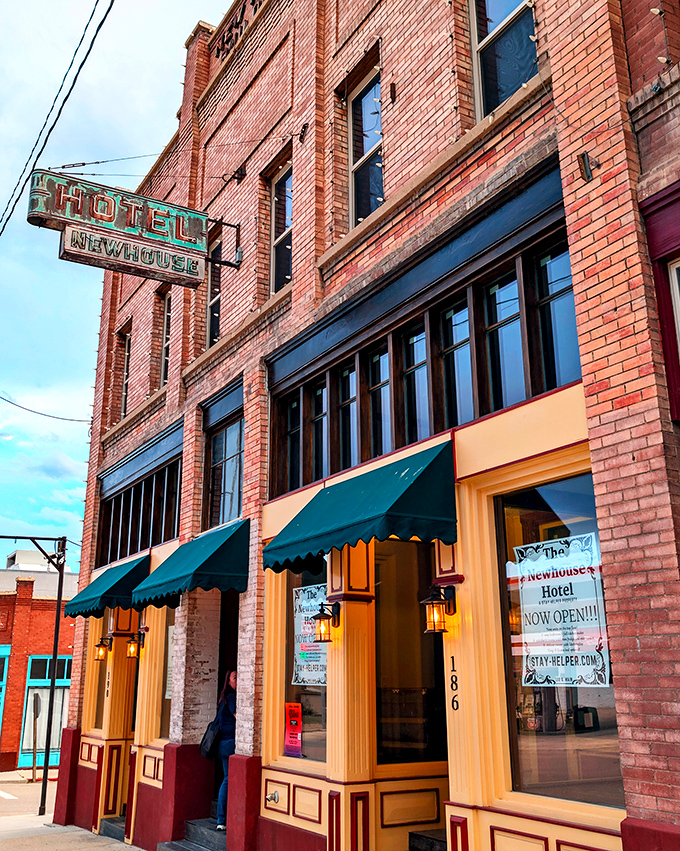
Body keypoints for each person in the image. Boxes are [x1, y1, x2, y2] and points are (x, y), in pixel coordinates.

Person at [215, 670, 237, 831]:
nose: (239, 680)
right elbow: (240, 717)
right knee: (228, 779)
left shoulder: (223, 698)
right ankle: (222, 819)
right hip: (229, 743)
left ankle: (222, 819)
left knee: (227, 778)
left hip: (223, 743)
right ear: (228, 682)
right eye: (235, 678)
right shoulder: (232, 697)